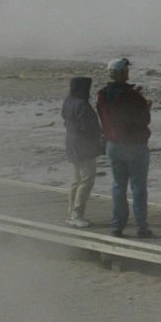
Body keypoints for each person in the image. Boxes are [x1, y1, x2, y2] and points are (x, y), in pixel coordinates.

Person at [95, 57, 154, 238]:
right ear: (122, 73)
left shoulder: (102, 95)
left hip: (113, 145)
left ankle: (117, 227)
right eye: (126, 70)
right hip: (135, 146)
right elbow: (143, 120)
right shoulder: (132, 96)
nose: (128, 73)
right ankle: (141, 227)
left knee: (118, 187)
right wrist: (146, 106)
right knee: (138, 188)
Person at [61, 75, 103, 228]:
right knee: (86, 179)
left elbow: (64, 117)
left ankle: (70, 213)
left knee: (76, 179)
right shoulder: (82, 104)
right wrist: (99, 141)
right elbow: (90, 126)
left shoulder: (68, 101)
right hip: (83, 144)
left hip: (71, 141)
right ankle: (77, 214)